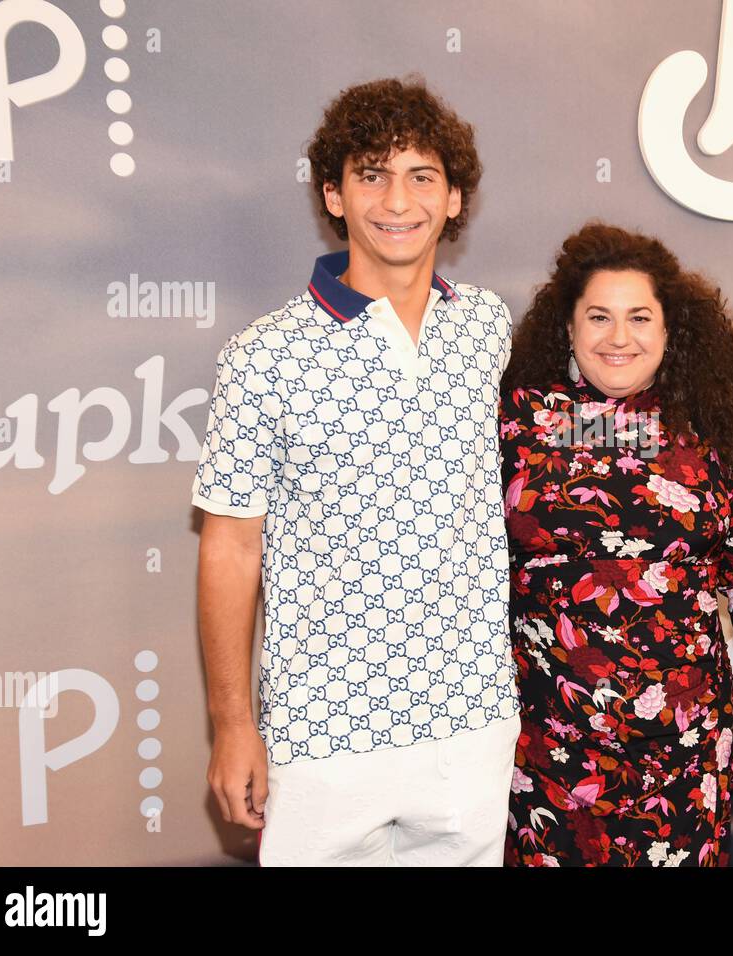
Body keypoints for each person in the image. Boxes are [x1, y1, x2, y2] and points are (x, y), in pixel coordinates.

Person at [190, 76, 520, 866]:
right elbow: (230, 550)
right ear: (333, 194)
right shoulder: (261, 356)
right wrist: (234, 727)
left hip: (470, 725)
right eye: (371, 174)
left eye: (421, 176)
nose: (396, 200)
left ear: (454, 200)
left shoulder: (487, 328)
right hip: (323, 740)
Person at [499, 223, 733, 866]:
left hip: (681, 742)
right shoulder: (518, 422)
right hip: (547, 740)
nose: (619, 337)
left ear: (668, 330)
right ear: (568, 328)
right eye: (598, 316)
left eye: (639, 317)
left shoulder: (713, 423)